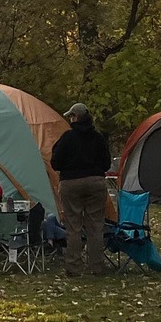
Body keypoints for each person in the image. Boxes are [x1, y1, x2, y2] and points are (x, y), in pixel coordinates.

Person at [50, 103, 112, 276]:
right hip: (95, 182)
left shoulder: (67, 138)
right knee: (95, 226)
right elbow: (106, 163)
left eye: (71, 116)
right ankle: (96, 266)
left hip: (71, 183)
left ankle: (74, 267)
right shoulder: (98, 138)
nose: (70, 119)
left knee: (73, 227)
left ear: (76, 117)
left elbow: (55, 163)